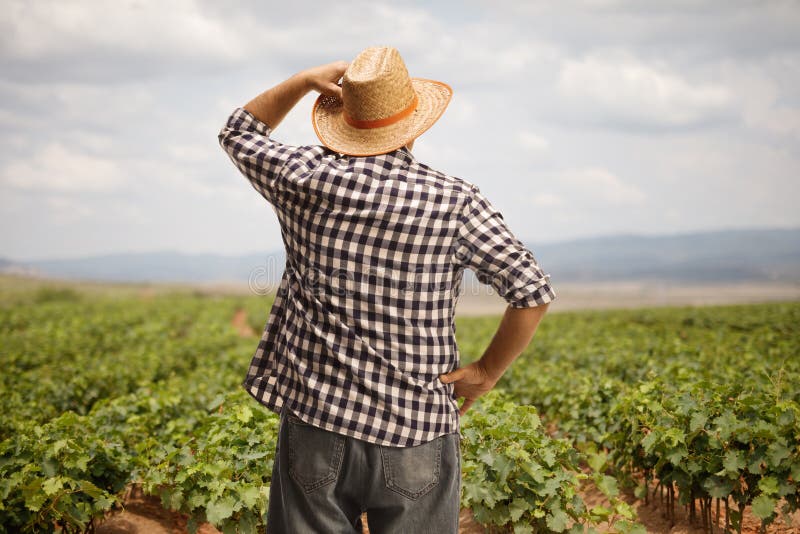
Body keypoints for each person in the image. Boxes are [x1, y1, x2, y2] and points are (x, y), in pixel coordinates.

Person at [217, 46, 555, 533]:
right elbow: (531, 291)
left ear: (344, 121)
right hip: (417, 429)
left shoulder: (305, 179)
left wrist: (302, 80)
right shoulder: (453, 201)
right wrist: (485, 371)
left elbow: (238, 132)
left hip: (317, 426)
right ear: (414, 124)